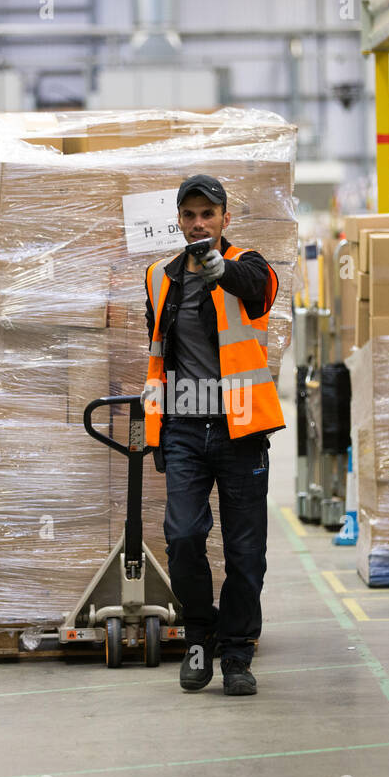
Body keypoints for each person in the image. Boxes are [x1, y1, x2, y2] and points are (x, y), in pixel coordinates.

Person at [142, 174, 285, 697]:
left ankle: (238, 652)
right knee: (182, 537)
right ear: (178, 221)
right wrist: (155, 430)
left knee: (247, 551)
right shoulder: (159, 275)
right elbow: (157, 354)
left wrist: (222, 271)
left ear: (225, 218)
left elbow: (259, 292)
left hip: (241, 426)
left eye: (209, 214)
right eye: (190, 215)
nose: (199, 223)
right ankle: (200, 634)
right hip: (183, 425)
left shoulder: (250, 264)